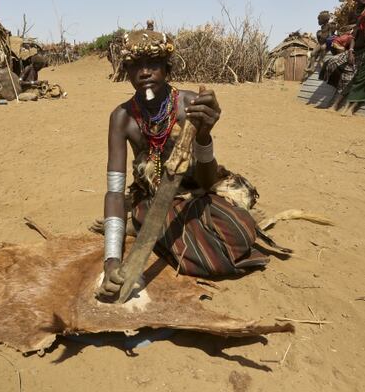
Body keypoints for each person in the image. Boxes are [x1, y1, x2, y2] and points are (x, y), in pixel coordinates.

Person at [97, 30, 271, 299]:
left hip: (196, 189)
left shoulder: (190, 105)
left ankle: (151, 230)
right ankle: (142, 225)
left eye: (153, 64)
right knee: (200, 247)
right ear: (126, 71)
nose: (145, 72)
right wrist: (111, 262)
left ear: (168, 68)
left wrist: (203, 135)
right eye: (136, 66)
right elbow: (114, 192)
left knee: (234, 230)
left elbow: (206, 180)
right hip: (153, 200)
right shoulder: (121, 118)